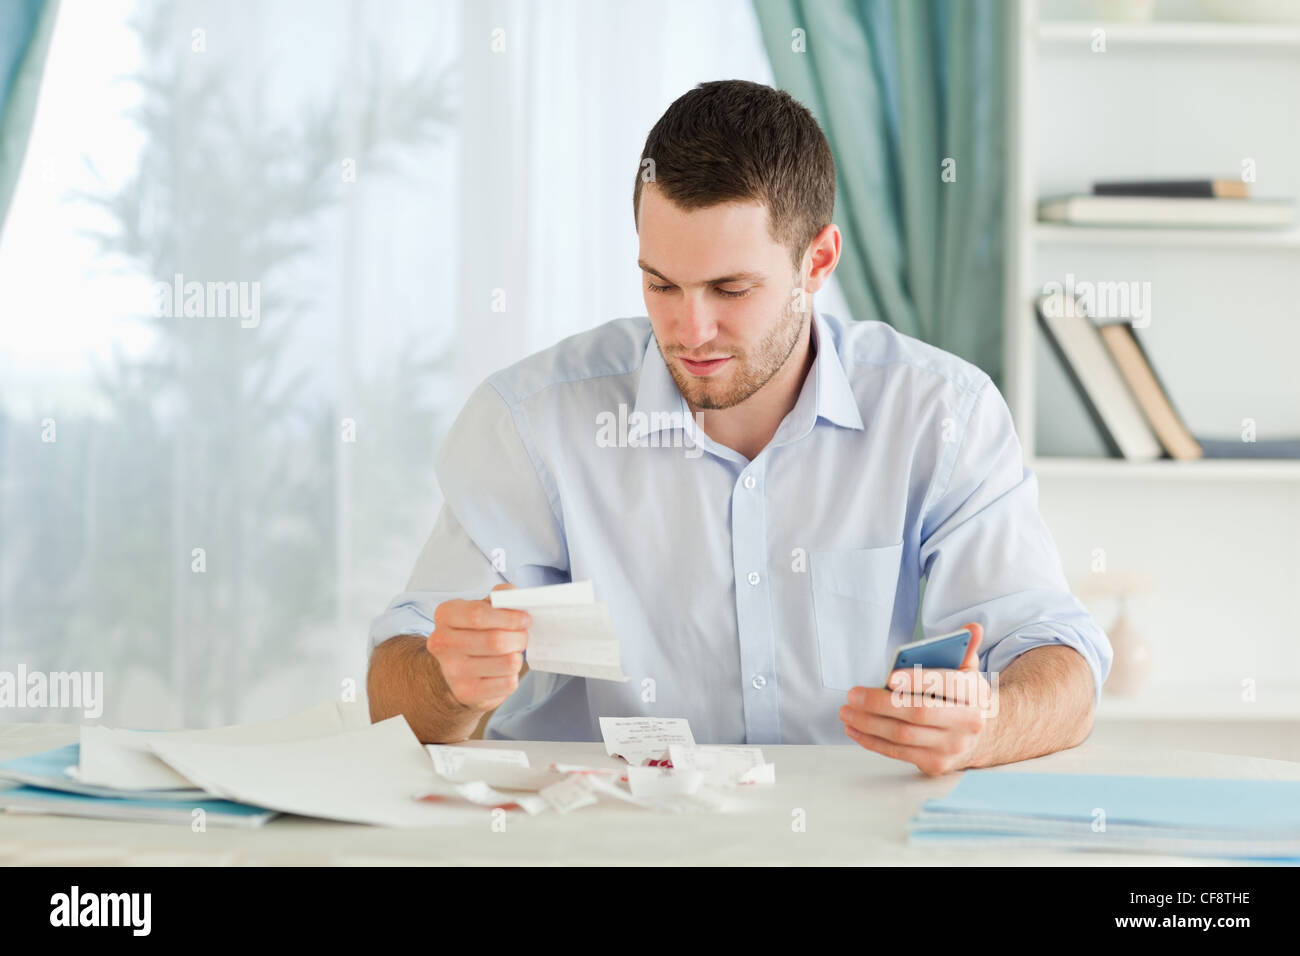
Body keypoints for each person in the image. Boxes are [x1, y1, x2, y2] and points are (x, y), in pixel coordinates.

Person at [367, 79, 1111, 776]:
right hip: (600, 839)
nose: (691, 329)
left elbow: (1058, 658)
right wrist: (449, 679)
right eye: (661, 284)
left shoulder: (941, 413)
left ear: (817, 261)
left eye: (731, 289)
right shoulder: (535, 422)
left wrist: (990, 724)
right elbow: (393, 695)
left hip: (846, 839)